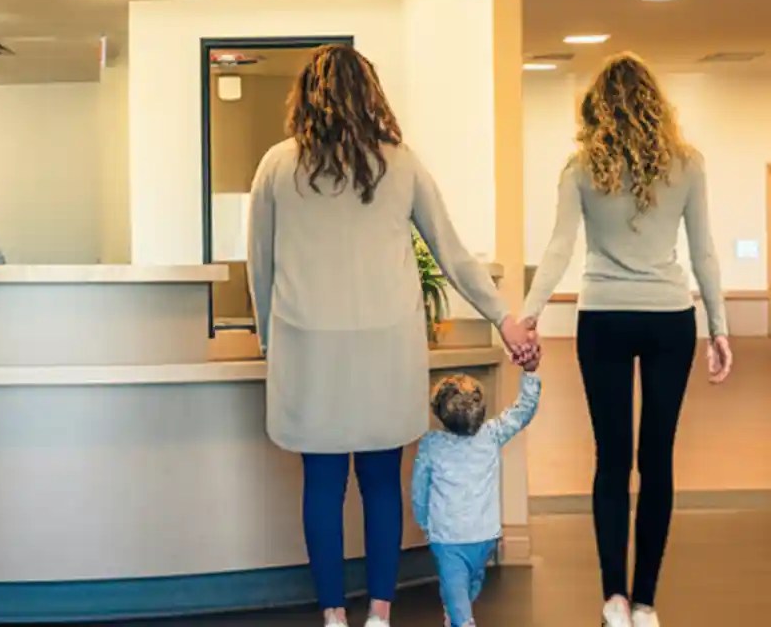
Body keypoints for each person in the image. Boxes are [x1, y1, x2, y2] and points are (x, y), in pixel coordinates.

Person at [246, 44, 535, 627]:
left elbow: (260, 264)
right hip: (386, 350)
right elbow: (451, 251)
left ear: (305, 95)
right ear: (372, 94)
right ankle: (379, 614)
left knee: (322, 487)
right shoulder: (401, 163)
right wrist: (504, 318)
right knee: (381, 484)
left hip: (310, 350)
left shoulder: (277, 165)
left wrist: (268, 342)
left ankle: (333, 615)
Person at [522, 52, 733, 627]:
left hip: (605, 319)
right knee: (657, 458)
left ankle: (613, 598)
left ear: (596, 107)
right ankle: (645, 602)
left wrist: (528, 313)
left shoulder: (579, 169)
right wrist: (718, 325)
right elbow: (704, 251)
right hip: (669, 319)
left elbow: (559, 248)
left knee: (611, 460)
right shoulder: (688, 164)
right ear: (655, 104)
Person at [413, 366, 542, 627]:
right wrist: (530, 373)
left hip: (448, 538)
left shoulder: (431, 445)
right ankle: (461, 619)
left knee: (457, 588)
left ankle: (458, 617)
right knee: (466, 590)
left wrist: (423, 520)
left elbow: (419, 487)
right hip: (485, 537)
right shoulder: (492, 435)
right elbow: (523, 411)